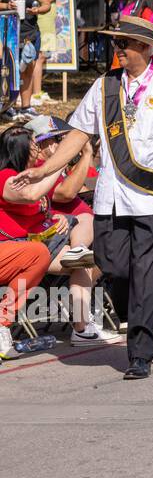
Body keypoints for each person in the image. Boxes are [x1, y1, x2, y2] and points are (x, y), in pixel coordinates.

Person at [18, 16, 153, 379]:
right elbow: (77, 135)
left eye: (126, 43)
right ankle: (141, 313)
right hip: (111, 197)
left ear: (146, 48)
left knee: (145, 273)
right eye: (116, 43)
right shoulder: (104, 86)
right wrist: (44, 170)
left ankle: (140, 353)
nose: (119, 49)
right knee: (114, 266)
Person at [0, 126, 119, 345]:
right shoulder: (5, 177)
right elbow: (31, 196)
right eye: (34, 144)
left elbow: (44, 203)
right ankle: (82, 325)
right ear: (20, 150)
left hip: (42, 243)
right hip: (17, 249)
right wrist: (63, 158)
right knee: (81, 263)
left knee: (92, 260)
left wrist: (56, 217)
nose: (37, 148)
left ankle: (82, 326)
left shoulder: (34, 172)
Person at [0, 0, 53, 115]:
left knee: (28, 69)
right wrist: (6, 6)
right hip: (7, 34)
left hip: (29, 33)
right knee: (7, 69)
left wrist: (37, 9)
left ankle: (26, 106)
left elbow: (47, 4)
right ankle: (7, 105)